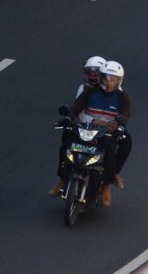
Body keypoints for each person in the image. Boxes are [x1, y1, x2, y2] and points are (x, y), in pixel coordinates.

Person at [49, 60, 133, 206]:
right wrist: (69, 117)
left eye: (112, 79)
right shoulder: (90, 92)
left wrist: (116, 126)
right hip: (86, 128)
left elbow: (125, 115)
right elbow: (76, 107)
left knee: (111, 150)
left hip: (106, 133)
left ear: (119, 81)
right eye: (105, 78)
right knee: (66, 145)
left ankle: (107, 185)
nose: (108, 82)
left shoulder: (123, 97)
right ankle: (62, 181)